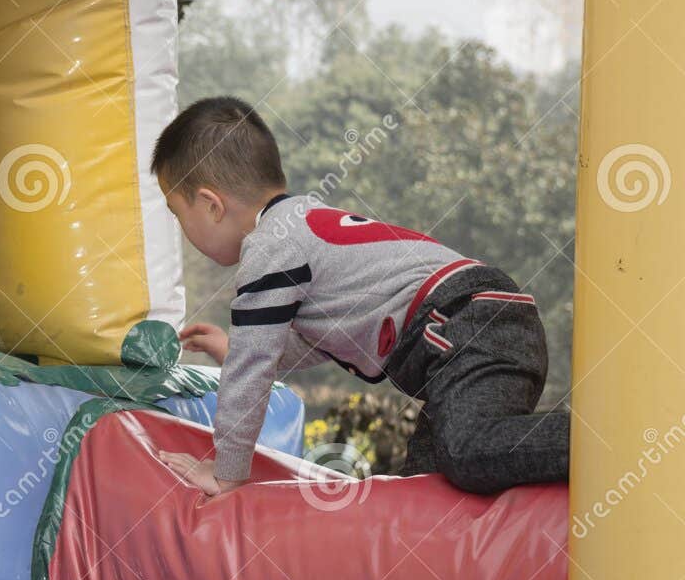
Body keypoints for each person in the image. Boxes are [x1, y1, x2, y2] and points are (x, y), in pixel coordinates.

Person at [151, 96, 568, 497]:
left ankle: (597, 438)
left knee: (466, 451)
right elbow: (312, 339)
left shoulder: (270, 246)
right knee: (423, 488)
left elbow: (251, 368)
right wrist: (236, 348)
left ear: (211, 205)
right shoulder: (301, 226)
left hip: (466, 321)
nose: (182, 231)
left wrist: (225, 473)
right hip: (476, 324)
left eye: (176, 214)